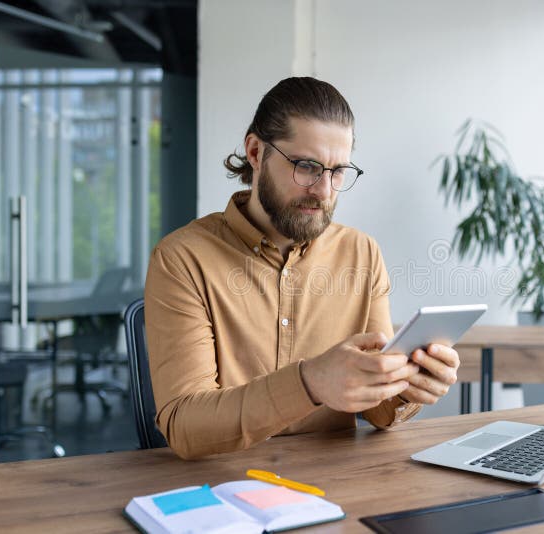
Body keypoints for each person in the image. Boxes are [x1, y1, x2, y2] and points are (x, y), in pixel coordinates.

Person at [144, 77, 459, 459]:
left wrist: (409, 385)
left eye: (338, 171)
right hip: (221, 492)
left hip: (335, 487)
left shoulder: (362, 253)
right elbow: (184, 425)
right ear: (256, 152)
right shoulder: (182, 259)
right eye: (307, 167)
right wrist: (310, 383)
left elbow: (378, 409)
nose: (325, 191)